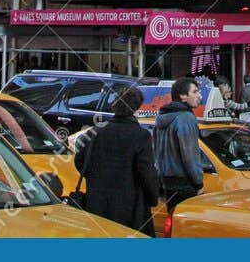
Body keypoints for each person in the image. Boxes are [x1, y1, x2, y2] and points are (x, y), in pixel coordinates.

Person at [72, 86, 160, 236]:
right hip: (130, 207)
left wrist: (95, 178)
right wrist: (153, 197)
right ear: (136, 108)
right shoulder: (140, 136)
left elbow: (80, 160)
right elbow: (147, 171)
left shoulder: (96, 132)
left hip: (98, 204)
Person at [152, 77, 205, 213]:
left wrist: (159, 184)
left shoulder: (161, 117)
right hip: (185, 183)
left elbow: (156, 154)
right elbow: (190, 156)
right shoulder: (186, 117)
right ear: (182, 96)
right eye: (195, 92)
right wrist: (198, 183)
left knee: (173, 223)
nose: (199, 96)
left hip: (167, 182)